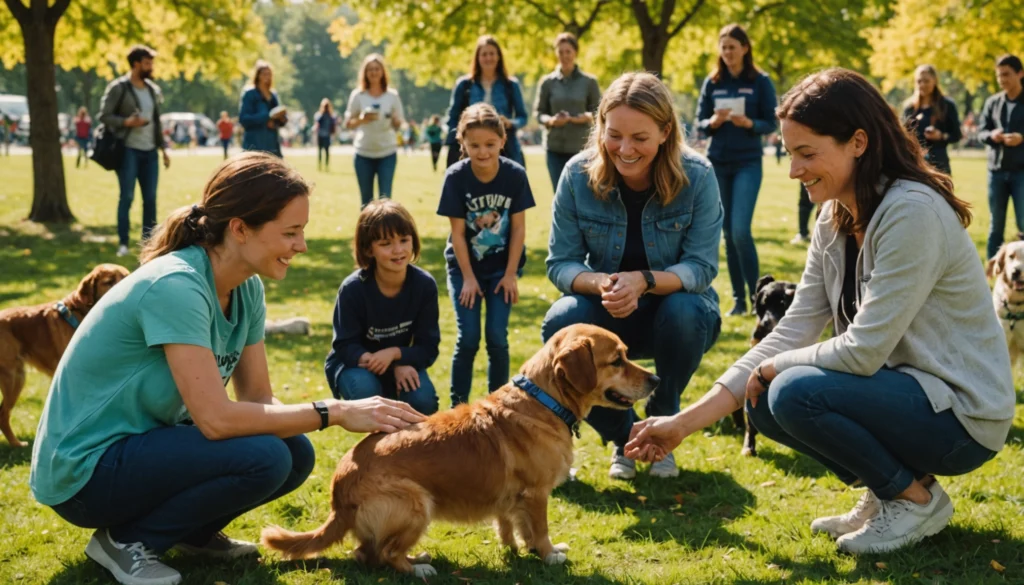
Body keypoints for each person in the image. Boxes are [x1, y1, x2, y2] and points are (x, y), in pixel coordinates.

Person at [626, 68, 1013, 555]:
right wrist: (682, 423)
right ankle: (890, 490)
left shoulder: (911, 212)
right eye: (790, 153)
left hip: (964, 416)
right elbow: (790, 332)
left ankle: (913, 501)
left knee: (790, 390)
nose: (794, 170)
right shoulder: (834, 217)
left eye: (807, 154)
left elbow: (863, 351)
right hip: (909, 395)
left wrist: (772, 369)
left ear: (858, 143)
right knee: (763, 400)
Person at [29, 152, 426, 585]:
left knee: (294, 452)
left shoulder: (246, 288)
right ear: (239, 229)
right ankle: (127, 541)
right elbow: (216, 420)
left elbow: (258, 398)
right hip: (84, 472)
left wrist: (344, 426)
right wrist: (335, 410)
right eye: (290, 232)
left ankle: (191, 533)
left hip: (140, 448)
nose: (302, 246)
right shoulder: (177, 285)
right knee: (266, 456)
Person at [542, 72, 723, 480]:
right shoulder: (576, 175)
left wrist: (644, 280)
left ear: (665, 131)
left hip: (679, 319)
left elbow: (701, 267)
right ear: (600, 127)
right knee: (562, 322)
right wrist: (601, 282)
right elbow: (561, 262)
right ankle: (626, 436)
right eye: (614, 135)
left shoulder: (698, 176)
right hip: (607, 312)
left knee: (685, 309)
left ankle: (663, 416)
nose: (625, 150)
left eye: (640, 138)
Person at [436, 103, 535, 406]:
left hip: (501, 268)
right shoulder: (455, 177)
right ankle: (457, 406)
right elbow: (457, 234)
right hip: (464, 268)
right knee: (468, 339)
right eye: (475, 145)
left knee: (496, 337)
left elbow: (518, 228)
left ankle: (498, 406)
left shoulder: (515, 175)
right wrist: (467, 278)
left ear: (502, 141)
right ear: (462, 142)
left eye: (490, 144)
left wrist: (510, 274)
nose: (482, 152)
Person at [325, 200, 440, 416]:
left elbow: (428, 346)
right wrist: (384, 362)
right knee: (366, 390)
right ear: (369, 249)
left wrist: (396, 356)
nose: (398, 250)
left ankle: (404, 438)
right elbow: (344, 345)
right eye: (386, 243)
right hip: (357, 364)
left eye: (404, 240)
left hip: (399, 360)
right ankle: (375, 436)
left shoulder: (424, 285)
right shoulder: (353, 289)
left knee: (423, 400)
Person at [696, 24, 778, 316]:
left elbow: (772, 121)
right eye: (724, 47)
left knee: (741, 230)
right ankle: (739, 301)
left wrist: (750, 124)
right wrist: (713, 123)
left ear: (745, 48)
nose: (728, 52)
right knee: (728, 233)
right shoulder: (713, 82)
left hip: (748, 162)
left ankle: (758, 298)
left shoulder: (760, 82)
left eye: (732, 46)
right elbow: (700, 122)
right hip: (718, 162)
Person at [98, 45, 171, 258]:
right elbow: (104, 116)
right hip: (128, 150)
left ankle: (149, 246)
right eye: (147, 63)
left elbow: (156, 121)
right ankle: (123, 243)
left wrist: (163, 149)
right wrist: (127, 122)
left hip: (150, 152)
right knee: (127, 197)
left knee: (150, 199)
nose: (151, 67)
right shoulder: (119, 88)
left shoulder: (152, 90)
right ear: (136, 64)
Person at [443, 35, 528, 169]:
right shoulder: (464, 85)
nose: (488, 58)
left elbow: (523, 117)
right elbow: (452, 118)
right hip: (471, 148)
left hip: (505, 147)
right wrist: (460, 140)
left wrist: (510, 123)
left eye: (492, 54)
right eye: (484, 54)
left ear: (498, 56)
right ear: (477, 57)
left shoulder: (511, 85)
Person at [534, 32, 601, 191]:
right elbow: (539, 113)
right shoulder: (547, 82)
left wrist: (586, 117)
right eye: (560, 52)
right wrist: (551, 120)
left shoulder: (589, 82)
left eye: (568, 51)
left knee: (582, 192)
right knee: (559, 193)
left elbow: (599, 112)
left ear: (575, 53)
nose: (564, 56)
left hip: (582, 148)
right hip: (554, 148)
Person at [344, 53, 404, 208]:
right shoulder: (358, 95)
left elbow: (399, 123)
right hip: (363, 153)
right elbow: (348, 123)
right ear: (365, 73)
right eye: (370, 69)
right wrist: (362, 119)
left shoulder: (392, 96)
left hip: (387, 152)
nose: (374, 72)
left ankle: (386, 226)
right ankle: (366, 225)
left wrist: (395, 120)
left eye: (377, 69)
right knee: (366, 202)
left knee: (386, 201)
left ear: (383, 71)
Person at [979, 54, 1024, 260]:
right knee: (995, 226)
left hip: (1021, 173)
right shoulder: (992, 103)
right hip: (996, 173)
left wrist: (1021, 138)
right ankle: (992, 271)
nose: (1002, 80)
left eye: (1006, 74)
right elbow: (981, 132)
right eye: (999, 76)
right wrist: (992, 136)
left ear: (1020, 74)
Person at [901, 64, 962, 175]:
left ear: (935, 81)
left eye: (926, 81)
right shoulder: (909, 108)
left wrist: (941, 136)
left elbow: (957, 135)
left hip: (939, 163)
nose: (922, 84)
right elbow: (902, 136)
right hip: (915, 163)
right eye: (919, 81)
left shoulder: (946, 105)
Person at [239, 60, 284, 158]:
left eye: (269, 74)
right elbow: (244, 119)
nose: (267, 77)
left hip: (272, 146)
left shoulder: (273, 95)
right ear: (258, 75)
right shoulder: (249, 94)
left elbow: (279, 121)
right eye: (264, 74)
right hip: (254, 144)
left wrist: (279, 120)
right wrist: (265, 117)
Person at [314, 98, 337, 172]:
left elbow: (317, 123)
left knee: (321, 151)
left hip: (322, 135)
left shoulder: (322, 115)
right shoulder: (329, 115)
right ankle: (324, 166)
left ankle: (321, 165)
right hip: (325, 135)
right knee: (325, 151)